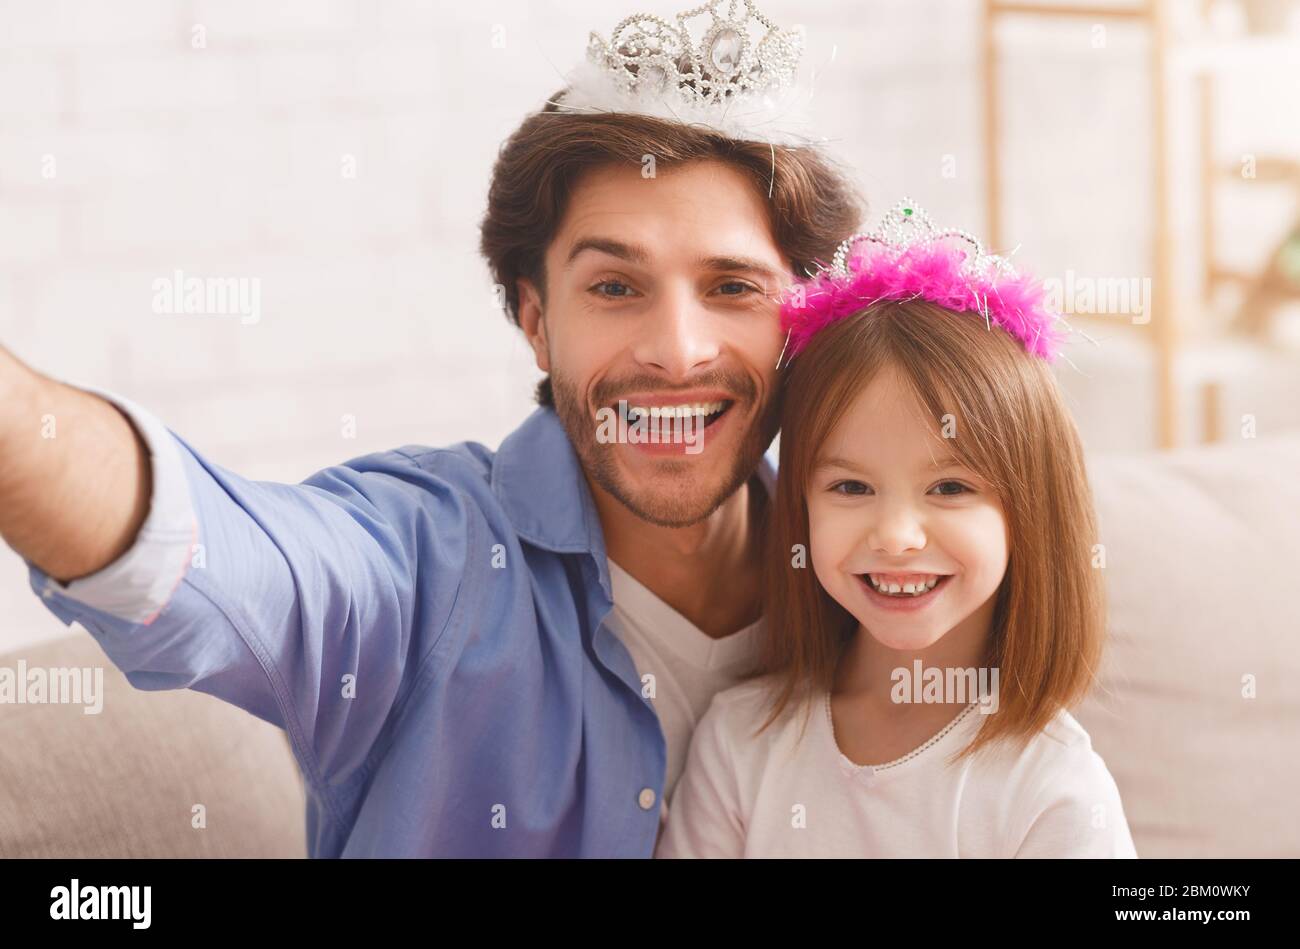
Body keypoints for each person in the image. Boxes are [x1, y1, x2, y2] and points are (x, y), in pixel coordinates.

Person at [0, 4, 863, 856]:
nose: (677, 353)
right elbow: (215, 560)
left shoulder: (879, 579)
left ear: (805, 322)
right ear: (536, 318)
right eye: (614, 287)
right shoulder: (422, 566)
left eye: (735, 288)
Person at [658, 200, 1138, 858]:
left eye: (950, 488)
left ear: (1031, 512)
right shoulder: (740, 745)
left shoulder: (1053, 792)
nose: (896, 535)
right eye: (851, 487)